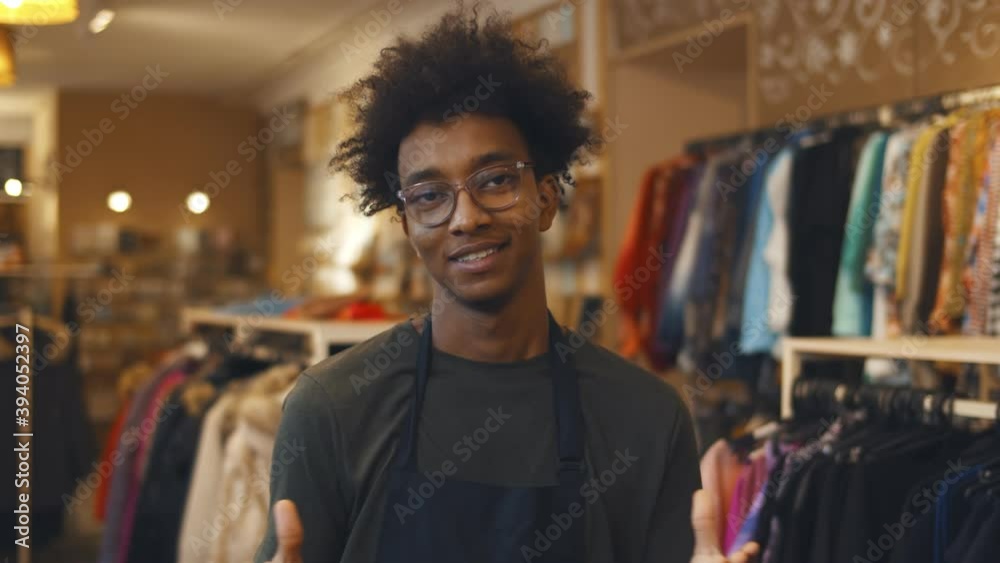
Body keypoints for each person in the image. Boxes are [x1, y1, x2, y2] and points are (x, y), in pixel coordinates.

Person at [253, 4, 760, 562]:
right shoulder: (332, 408)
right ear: (406, 226)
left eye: (495, 180)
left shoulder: (647, 418)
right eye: (429, 196)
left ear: (546, 198)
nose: (466, 217)